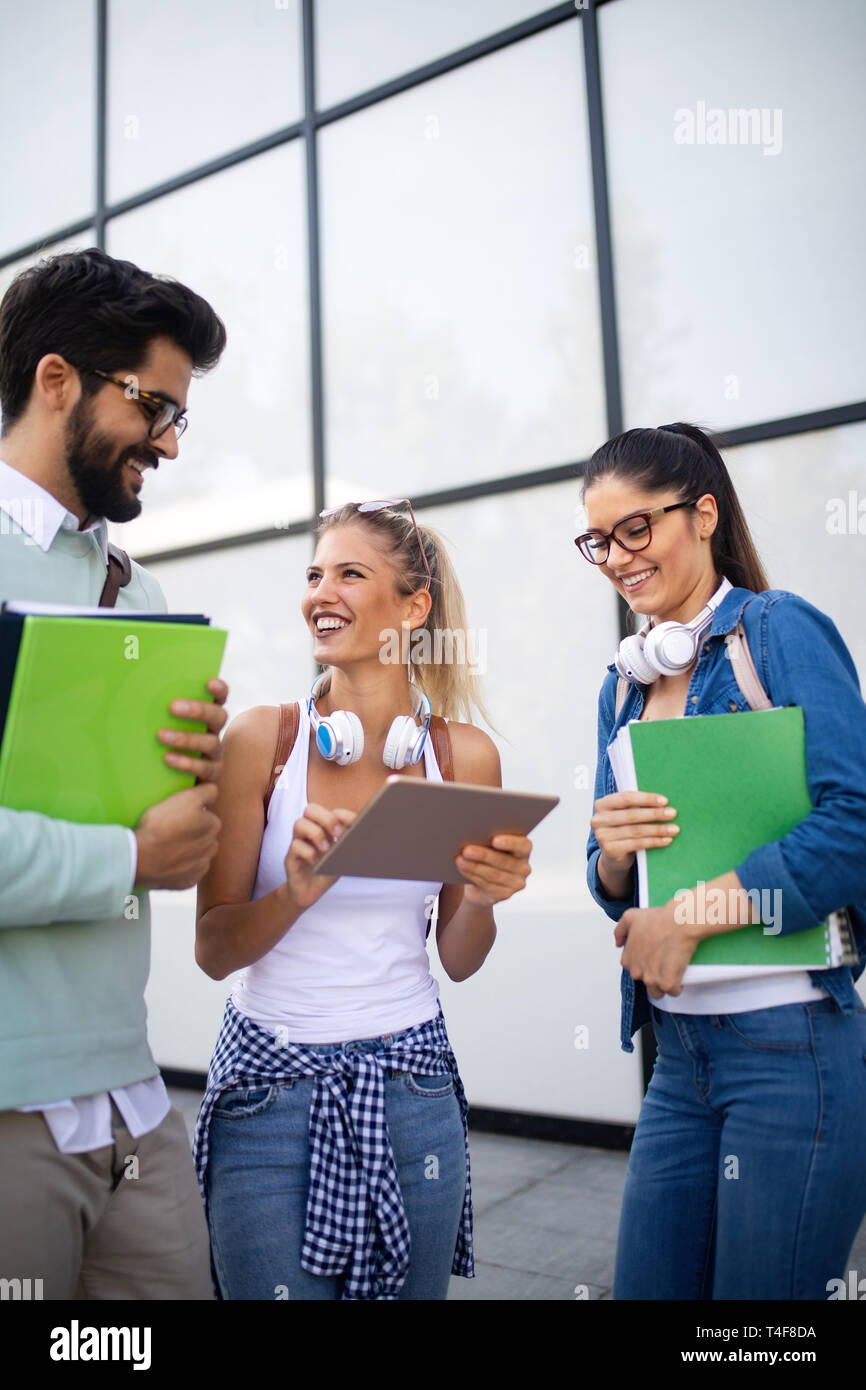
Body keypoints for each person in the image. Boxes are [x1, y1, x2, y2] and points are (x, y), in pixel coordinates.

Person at [193, 499, 533, 1300]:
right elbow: (213, 951)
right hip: (267, 1096)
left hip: (412, 1090)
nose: (322, 591)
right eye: (314, 574)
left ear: (414, 607)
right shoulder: (259, 740)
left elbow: (458, 959)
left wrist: (484, 898)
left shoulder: (463, 755)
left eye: (350, 573)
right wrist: (299, 892)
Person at [579, 422, 866, 1301]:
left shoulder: (778, 632)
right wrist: (616, 863)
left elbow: (854, 824)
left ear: (704, 514)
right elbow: (606, 874)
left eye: (639, 528)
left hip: (790, 1050)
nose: (619, 557)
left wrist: (691, 916)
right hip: (681, 1057)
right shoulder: (622, 684)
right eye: (599, 539)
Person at [0, 248, 229, 1299]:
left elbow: (156, 836)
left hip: (133, 1097)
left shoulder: (142, 593)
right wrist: (131, 851)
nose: (170, 441)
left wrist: (188, 796)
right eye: (153, 405)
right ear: (57, 382)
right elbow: (125, 851)